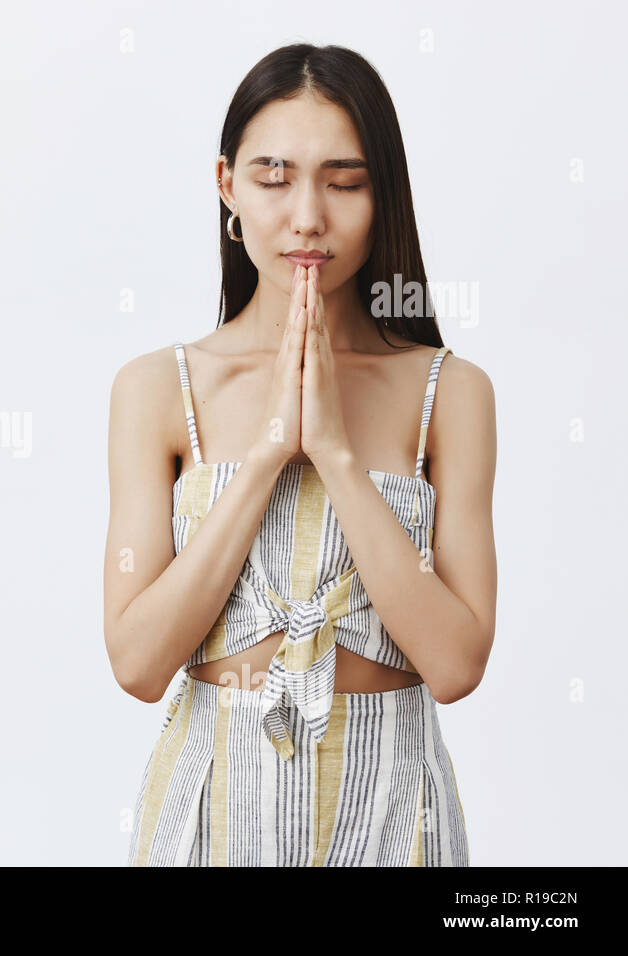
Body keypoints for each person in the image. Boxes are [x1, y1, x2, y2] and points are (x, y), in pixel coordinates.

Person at [104, 44, 497, 867]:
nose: (308, 216)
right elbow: (139, 664)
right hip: (214, 811)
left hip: (394, 815)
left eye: (345, 182)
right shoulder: (156, 389)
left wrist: (336, 455)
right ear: (228, 187)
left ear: (381, 193)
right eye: (274, 177)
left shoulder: (448, 392)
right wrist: (270, 452)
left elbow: (457, 664)